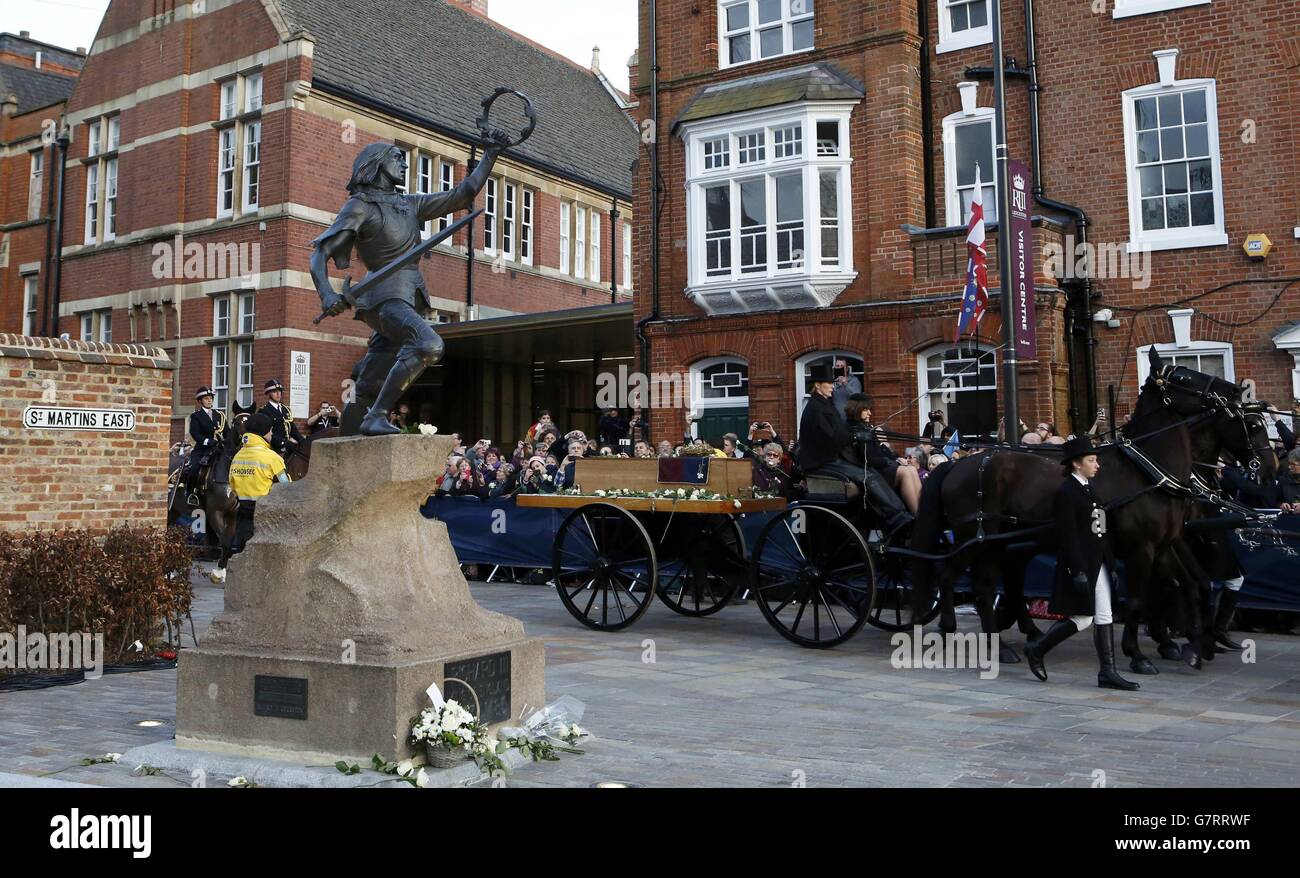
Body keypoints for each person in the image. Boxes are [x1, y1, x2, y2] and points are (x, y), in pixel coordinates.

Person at [311, 135, 510, 436]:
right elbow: (320, 253)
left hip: (407, 295)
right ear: (377, 163)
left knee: (369, 383)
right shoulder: (360, 206)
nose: (403, 163)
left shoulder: (409, 205)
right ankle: (376, 415)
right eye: (396, 158)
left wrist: (490, 155)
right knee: (429, 345)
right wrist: (327, 294)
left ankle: (348, 436)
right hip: (384, 298)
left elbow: (464, 193)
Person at [1024, 435, 1138, 691]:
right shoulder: (1067, 491)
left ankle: (1108, 672)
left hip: (1097, 562)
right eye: (1091, 460)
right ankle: (1038, 649)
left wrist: (1110, 564)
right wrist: (1076, 570)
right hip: (1082, 564)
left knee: (1104, 614)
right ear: (1076, 464)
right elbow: (1067, 535)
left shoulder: (1090, 488)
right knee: (1084, 618)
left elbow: (1101, 530)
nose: (1096, 465)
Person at [798, 366, 911, 535]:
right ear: (817, 385)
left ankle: (896, 514)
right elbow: (832, 437)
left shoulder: (823, 405)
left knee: (869, 471)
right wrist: (855, 436)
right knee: (868, 476)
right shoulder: (816, 408)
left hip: (829, 458)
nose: (832, 386)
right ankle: (896, 516)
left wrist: (855, 434)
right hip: (821, 462)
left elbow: (839, 432)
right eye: (828, 383)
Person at [214, 413, 290, 583]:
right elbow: (287, 488)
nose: (271, 435)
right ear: (263, 433)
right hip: (265, 516)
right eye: (270, 431)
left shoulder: (238, 456)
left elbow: (233, 485)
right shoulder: (272, 458)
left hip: (242, 514)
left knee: (242, 553)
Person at [845, 393, 922, 515]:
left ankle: (922, 512)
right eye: (866, 410)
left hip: (877, 467)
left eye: (869, 409)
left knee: (911, 468)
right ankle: (917, 515)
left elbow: (881, 451)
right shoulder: (852, 428)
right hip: (869, 472)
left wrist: (897, 458)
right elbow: (869, 459)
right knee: (905, 472)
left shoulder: (865, 427)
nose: (870, 413)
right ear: (856, 409)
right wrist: (891, 462)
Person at [182, 386, 226, 506]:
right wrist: (208, 441)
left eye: (211, 398)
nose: (209, 401)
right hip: (203, 450)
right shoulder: (196, 416)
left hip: (219, 450)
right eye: (206, 399)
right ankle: (191, 494)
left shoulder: (220, 415)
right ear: (200, 401)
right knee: (194, 469)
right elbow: (195, 434)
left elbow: (227, 431)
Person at [258, 379, 303, 457]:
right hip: (273, 449)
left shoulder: (286, 409)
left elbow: (293, 429)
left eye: (280, 391)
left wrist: (302, 440)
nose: (278, 394)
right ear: (268, 394)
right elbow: (266, 433)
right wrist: (284, 442)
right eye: (275, 392)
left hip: (289, 448)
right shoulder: (264, 411)